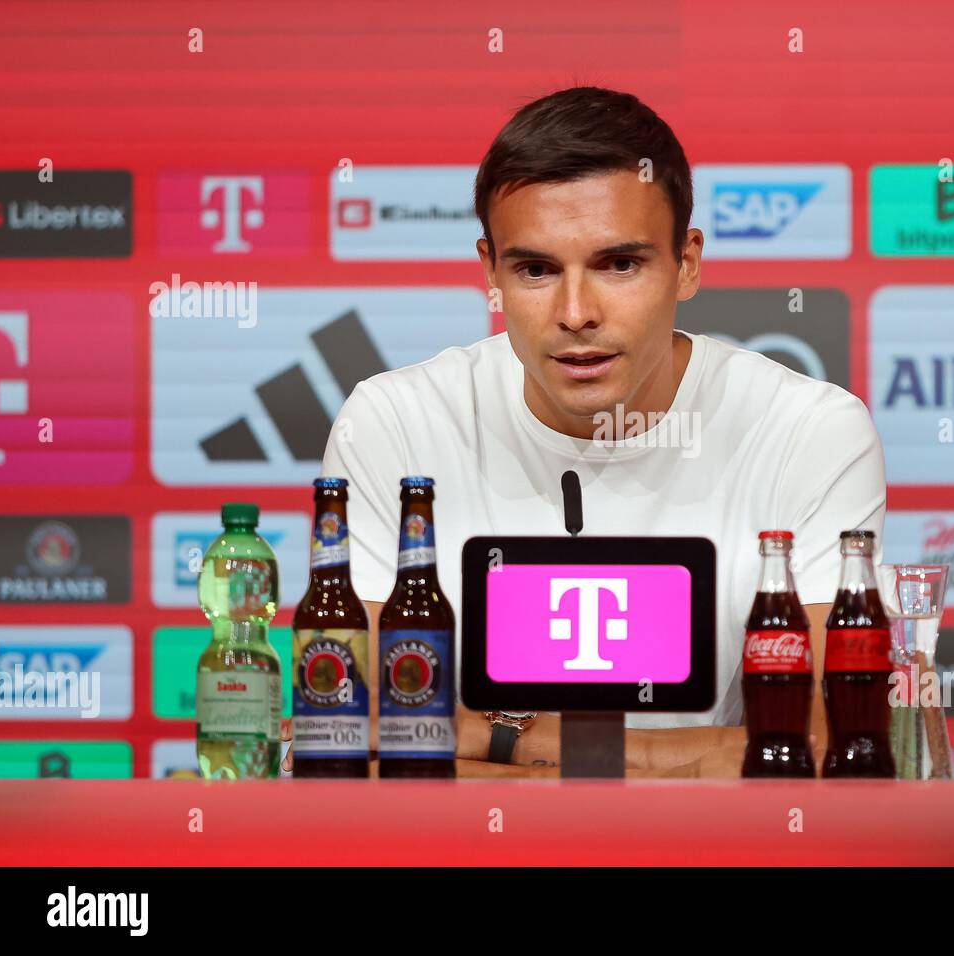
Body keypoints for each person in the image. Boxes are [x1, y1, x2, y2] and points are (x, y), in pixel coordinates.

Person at [320, 85, 886, 778]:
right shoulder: (394, 425)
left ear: (687, 264)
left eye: (620, 264)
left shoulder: (808, 431)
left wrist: (506, 738)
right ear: (489, 273)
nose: (577, 312)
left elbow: (834, 748)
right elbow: (357, 745)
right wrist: (679, 762)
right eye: (535, 269)